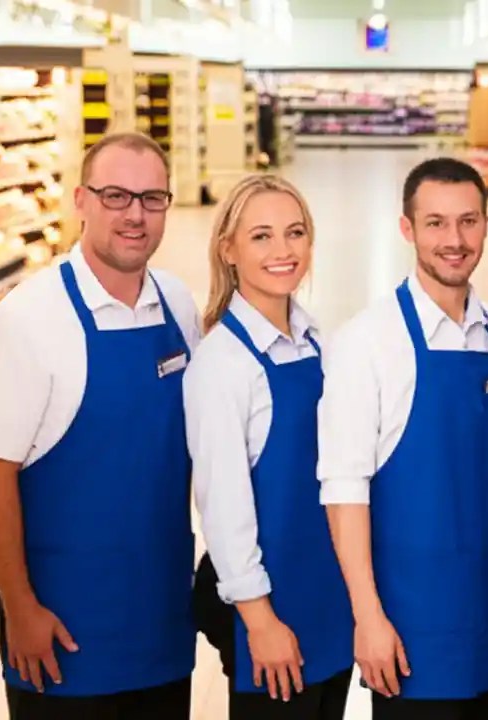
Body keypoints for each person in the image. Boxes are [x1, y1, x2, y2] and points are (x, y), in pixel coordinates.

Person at [0, 132, 201, 718]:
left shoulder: (178, 306)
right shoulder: (30, 318)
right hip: (60, 635)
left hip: (161, 623)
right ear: (80, 200)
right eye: (115, 196)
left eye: (152, 198)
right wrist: (20, 608)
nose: (135, 214)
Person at [317, 158, 488, 720]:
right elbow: (343, 489)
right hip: (413, 629)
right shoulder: (368, 340)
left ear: (486, 225)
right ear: (406, 229)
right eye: (435, 223)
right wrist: (368, 617)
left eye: (468, 222)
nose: (453, 240)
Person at [186, 174, 354, 719]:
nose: (282, 251)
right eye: (261, 236)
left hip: (327, 594)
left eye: (295, 233)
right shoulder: (223, 364)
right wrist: (260, 622)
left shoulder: (312, 340)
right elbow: (224, 507)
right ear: (228, 249)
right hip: (274, 608)